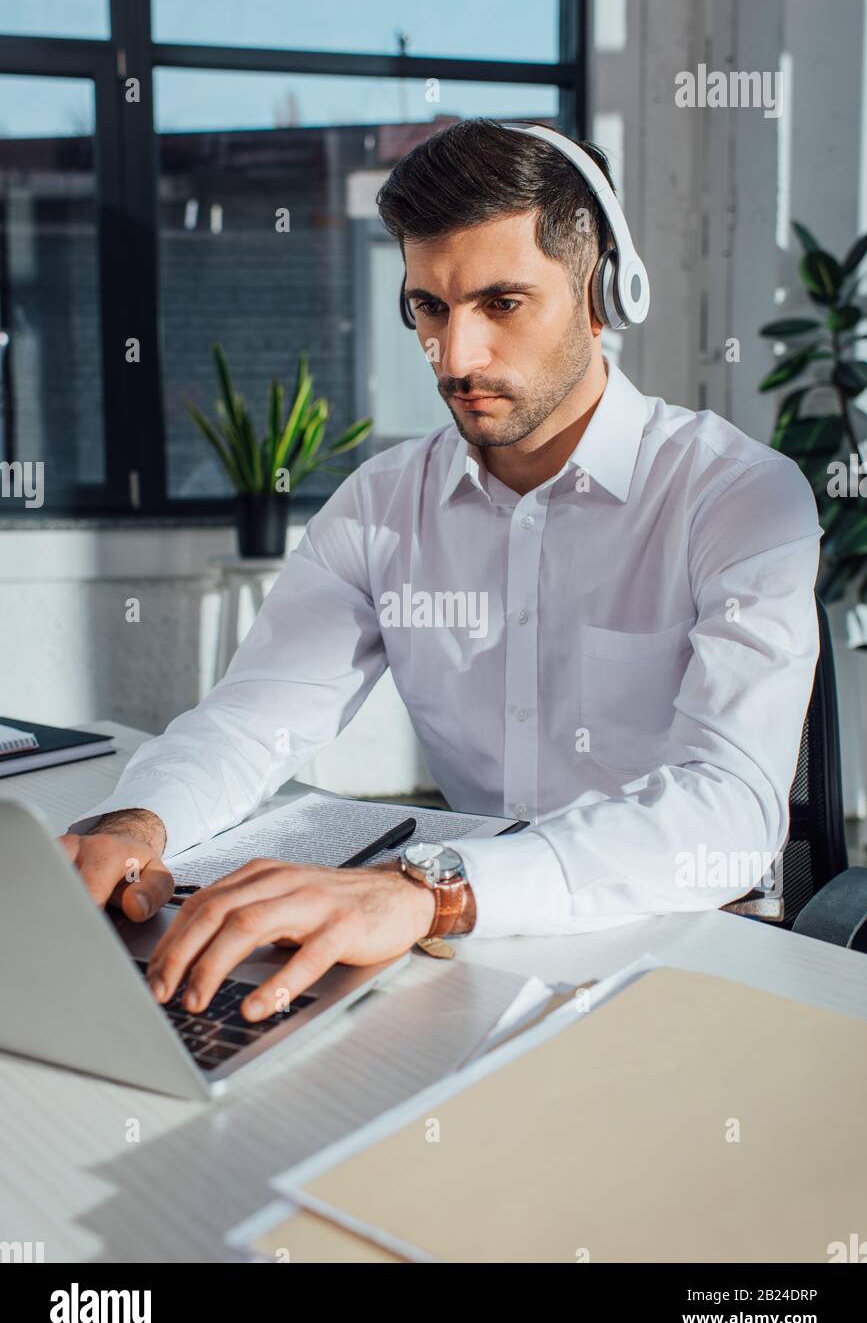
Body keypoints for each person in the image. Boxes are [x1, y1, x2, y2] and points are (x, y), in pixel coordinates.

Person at [60, 118, 821, 1024]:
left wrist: (432, 888)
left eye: (502, 304)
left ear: (601, 296)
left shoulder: (737, 496)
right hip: (471, 956)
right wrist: (135, 825)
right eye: (428, 307)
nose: (454, 358)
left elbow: (727, 811)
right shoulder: (382, 503)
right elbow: (249, 720)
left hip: (682, 953)